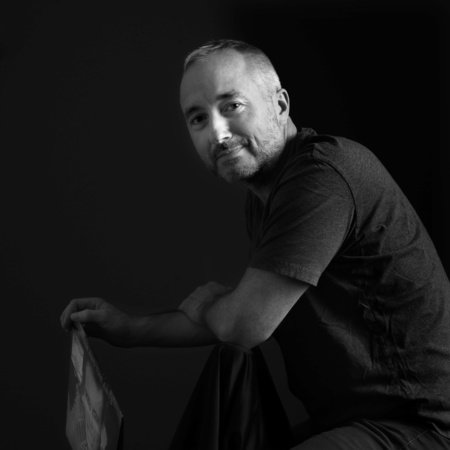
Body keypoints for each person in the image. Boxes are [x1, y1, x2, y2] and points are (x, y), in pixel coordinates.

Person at [60, 39, 450, 449]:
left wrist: (211, 306)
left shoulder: (321, 178)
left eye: (232, 106)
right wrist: (129, 327)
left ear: (279, 105)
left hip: (420, 426)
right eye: (199, 118)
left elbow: (244, 325)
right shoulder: (267, 198)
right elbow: (240, 314)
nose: (218, 132)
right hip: (353, 424)